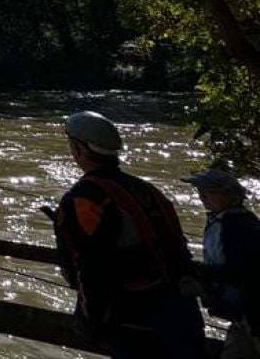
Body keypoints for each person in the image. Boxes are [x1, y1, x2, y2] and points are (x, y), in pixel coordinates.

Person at [51, 110, 204, 356]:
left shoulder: (86, 198)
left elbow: (91, 267)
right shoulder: (148, 190)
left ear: (78, 149)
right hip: (183, 315)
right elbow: (177, 248)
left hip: (135, 320)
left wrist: (91, 322)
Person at [185, 164, 260, 358]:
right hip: (242, 313)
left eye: (208, 192)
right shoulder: (224, 220)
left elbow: (243, 271)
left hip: (252, 309)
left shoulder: (237, 225)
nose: (202, 197)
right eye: (200, 192)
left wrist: (202, 272)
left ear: (229, 196)